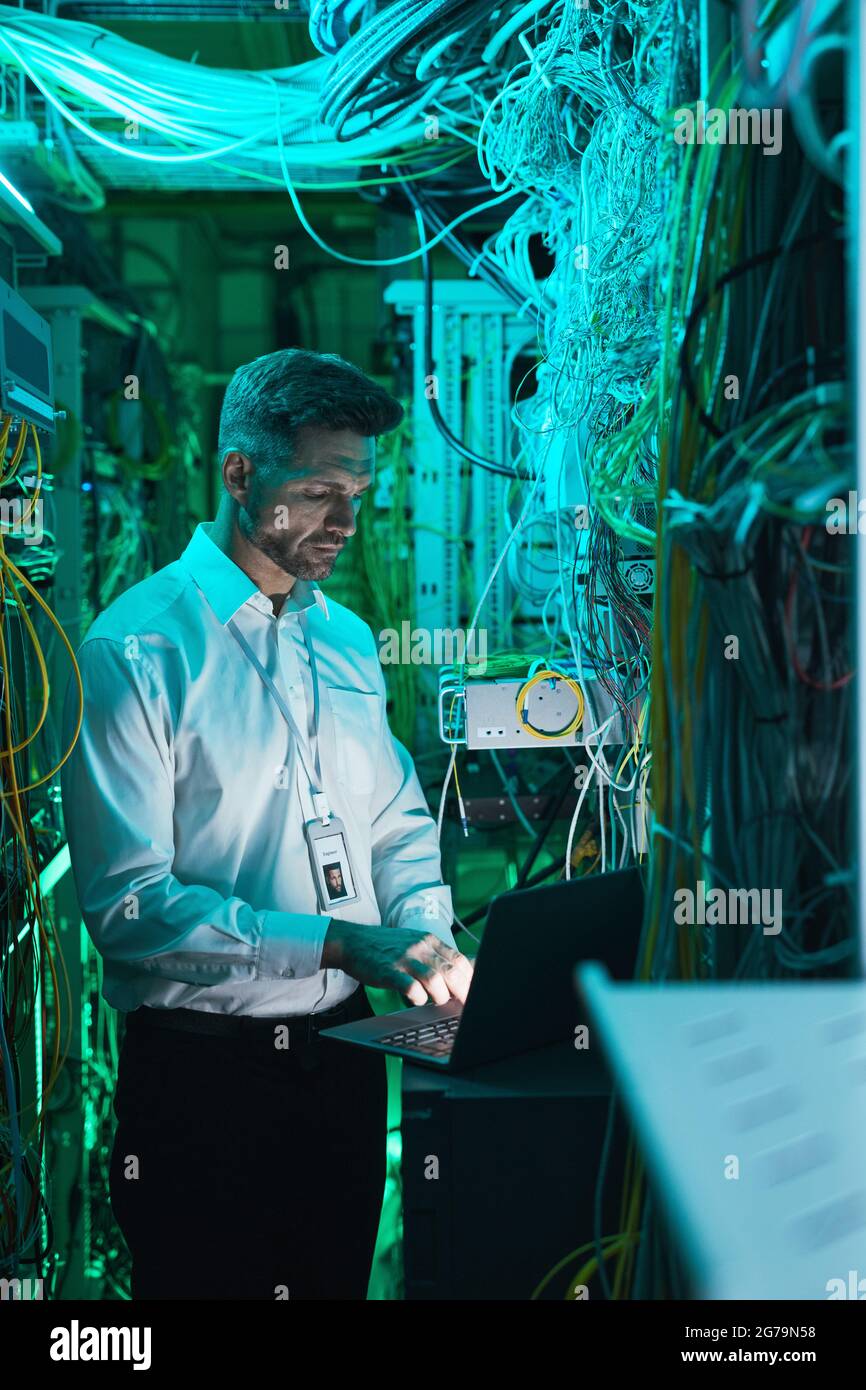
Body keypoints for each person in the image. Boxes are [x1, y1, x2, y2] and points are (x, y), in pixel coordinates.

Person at [60, 348, 474, 1301]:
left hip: (343, 1064)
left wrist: (425, 940)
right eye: (321, 489)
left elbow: (395, 826)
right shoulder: (137, 648)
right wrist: (338, 941)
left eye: (358, 492)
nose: (345, 522)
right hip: (204, 1085)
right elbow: (130, 905)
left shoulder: (347, 637)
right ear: (239, 473)